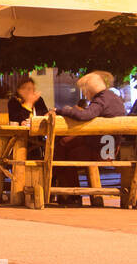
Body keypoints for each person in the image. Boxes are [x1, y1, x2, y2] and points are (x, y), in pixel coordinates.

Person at [52, 70, 126, 201]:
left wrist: (61, 110)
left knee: (64, 153)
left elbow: (85, 115)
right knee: (64, 145)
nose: (85, 95)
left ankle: (67, 193)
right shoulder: (114, 98)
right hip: (109, 148)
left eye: (85, 91)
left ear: (90, 89)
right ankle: (65, 192)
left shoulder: (101, 100)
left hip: (102, 151)